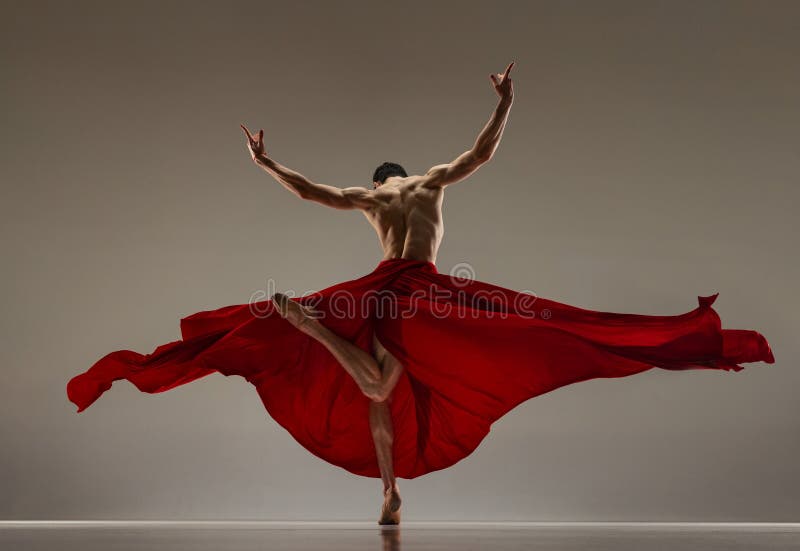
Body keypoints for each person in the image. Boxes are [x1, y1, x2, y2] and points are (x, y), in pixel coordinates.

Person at [67, 62, 774, 526]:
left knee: (361, 382)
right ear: (403, 176)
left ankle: (382, 478)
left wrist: (265, 161)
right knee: (541, 325)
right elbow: (481, 154)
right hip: (423, 291)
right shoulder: (431, 182)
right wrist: (505, 102)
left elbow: (312, 192)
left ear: (379, 181)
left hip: (381, 293)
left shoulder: (369, 198)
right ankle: (385, 480)